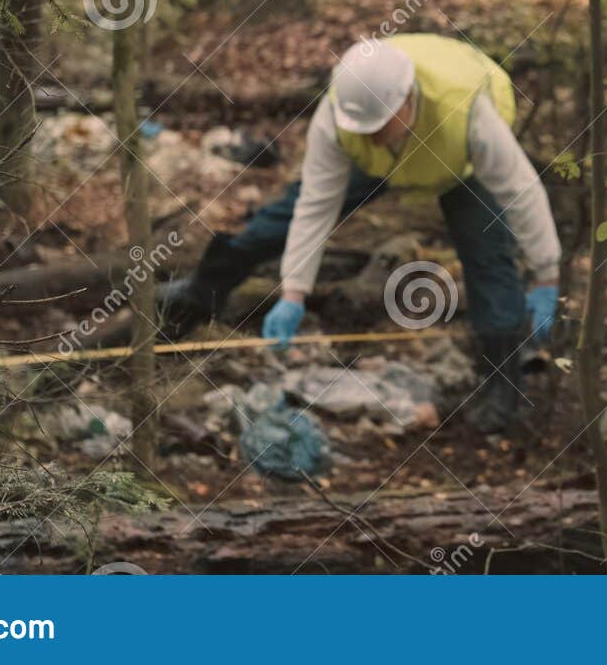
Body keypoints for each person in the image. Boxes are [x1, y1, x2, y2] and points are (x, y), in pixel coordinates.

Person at [158, 33, 561, 433]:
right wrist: (294, 293)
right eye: (364, 127)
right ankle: (199, 293)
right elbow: (316, 206)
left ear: (409, 99)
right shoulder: (340, 118)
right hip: (381, 164)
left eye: (381, 125)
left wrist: (547, 274)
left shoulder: (470, 114)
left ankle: (504, 390)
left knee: (486, 254)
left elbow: (521, 192)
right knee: (283, 216)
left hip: (458, 162)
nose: (372, 134)